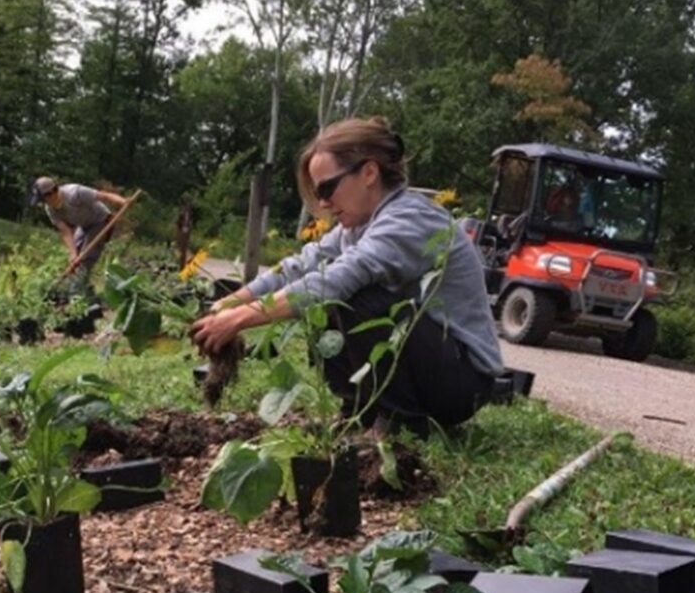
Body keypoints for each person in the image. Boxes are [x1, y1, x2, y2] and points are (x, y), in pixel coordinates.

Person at [190, 117, 503, 434]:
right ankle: (358, 414)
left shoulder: (410, 218)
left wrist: (240, 319)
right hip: (433, 365)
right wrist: (230, 303)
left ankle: (401, 422)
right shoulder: (358, 225)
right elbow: (300, 267)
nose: (323, 202)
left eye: (327, 188)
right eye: (318, 192)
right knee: (323, 299)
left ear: (369, 173)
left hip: (462, 382)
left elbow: (335, 281)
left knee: (352, 296)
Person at [30, 176, 129, 292]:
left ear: (52, 192)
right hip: (83, 225)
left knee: (85, 258)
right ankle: (76, 289)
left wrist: (123, 201)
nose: (43, 203)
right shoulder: (50, 209)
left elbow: (104, 196)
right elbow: (65, 232)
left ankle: (76, 293)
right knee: (74, 260)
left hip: (100, 221)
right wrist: (73, 254)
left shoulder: (75, 192)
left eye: (43, 199)